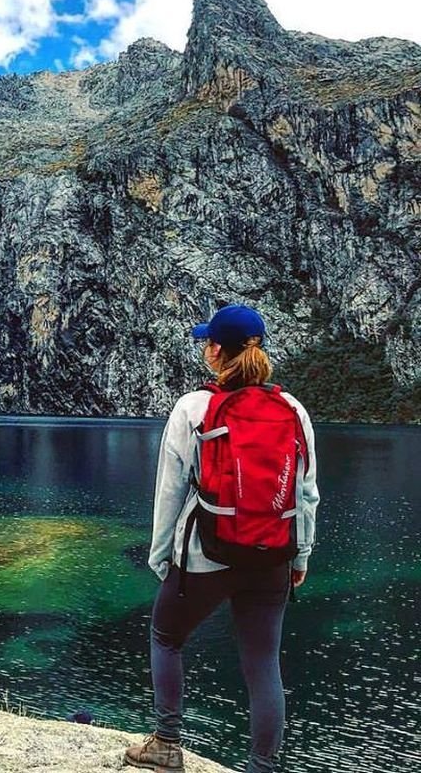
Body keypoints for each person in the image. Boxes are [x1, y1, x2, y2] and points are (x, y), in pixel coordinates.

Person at [125, 305, 320, 773]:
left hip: (205, 555)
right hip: (274, 553)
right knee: (262, 662)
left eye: (207, 342)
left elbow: (169, 492)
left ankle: (167, 745)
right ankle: (263, 766)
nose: (205, 349)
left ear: (215, 351)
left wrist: (161, 559)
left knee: (166, 637)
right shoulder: (292, 409)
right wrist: (301, 554)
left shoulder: (193, 407)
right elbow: (307, 492)